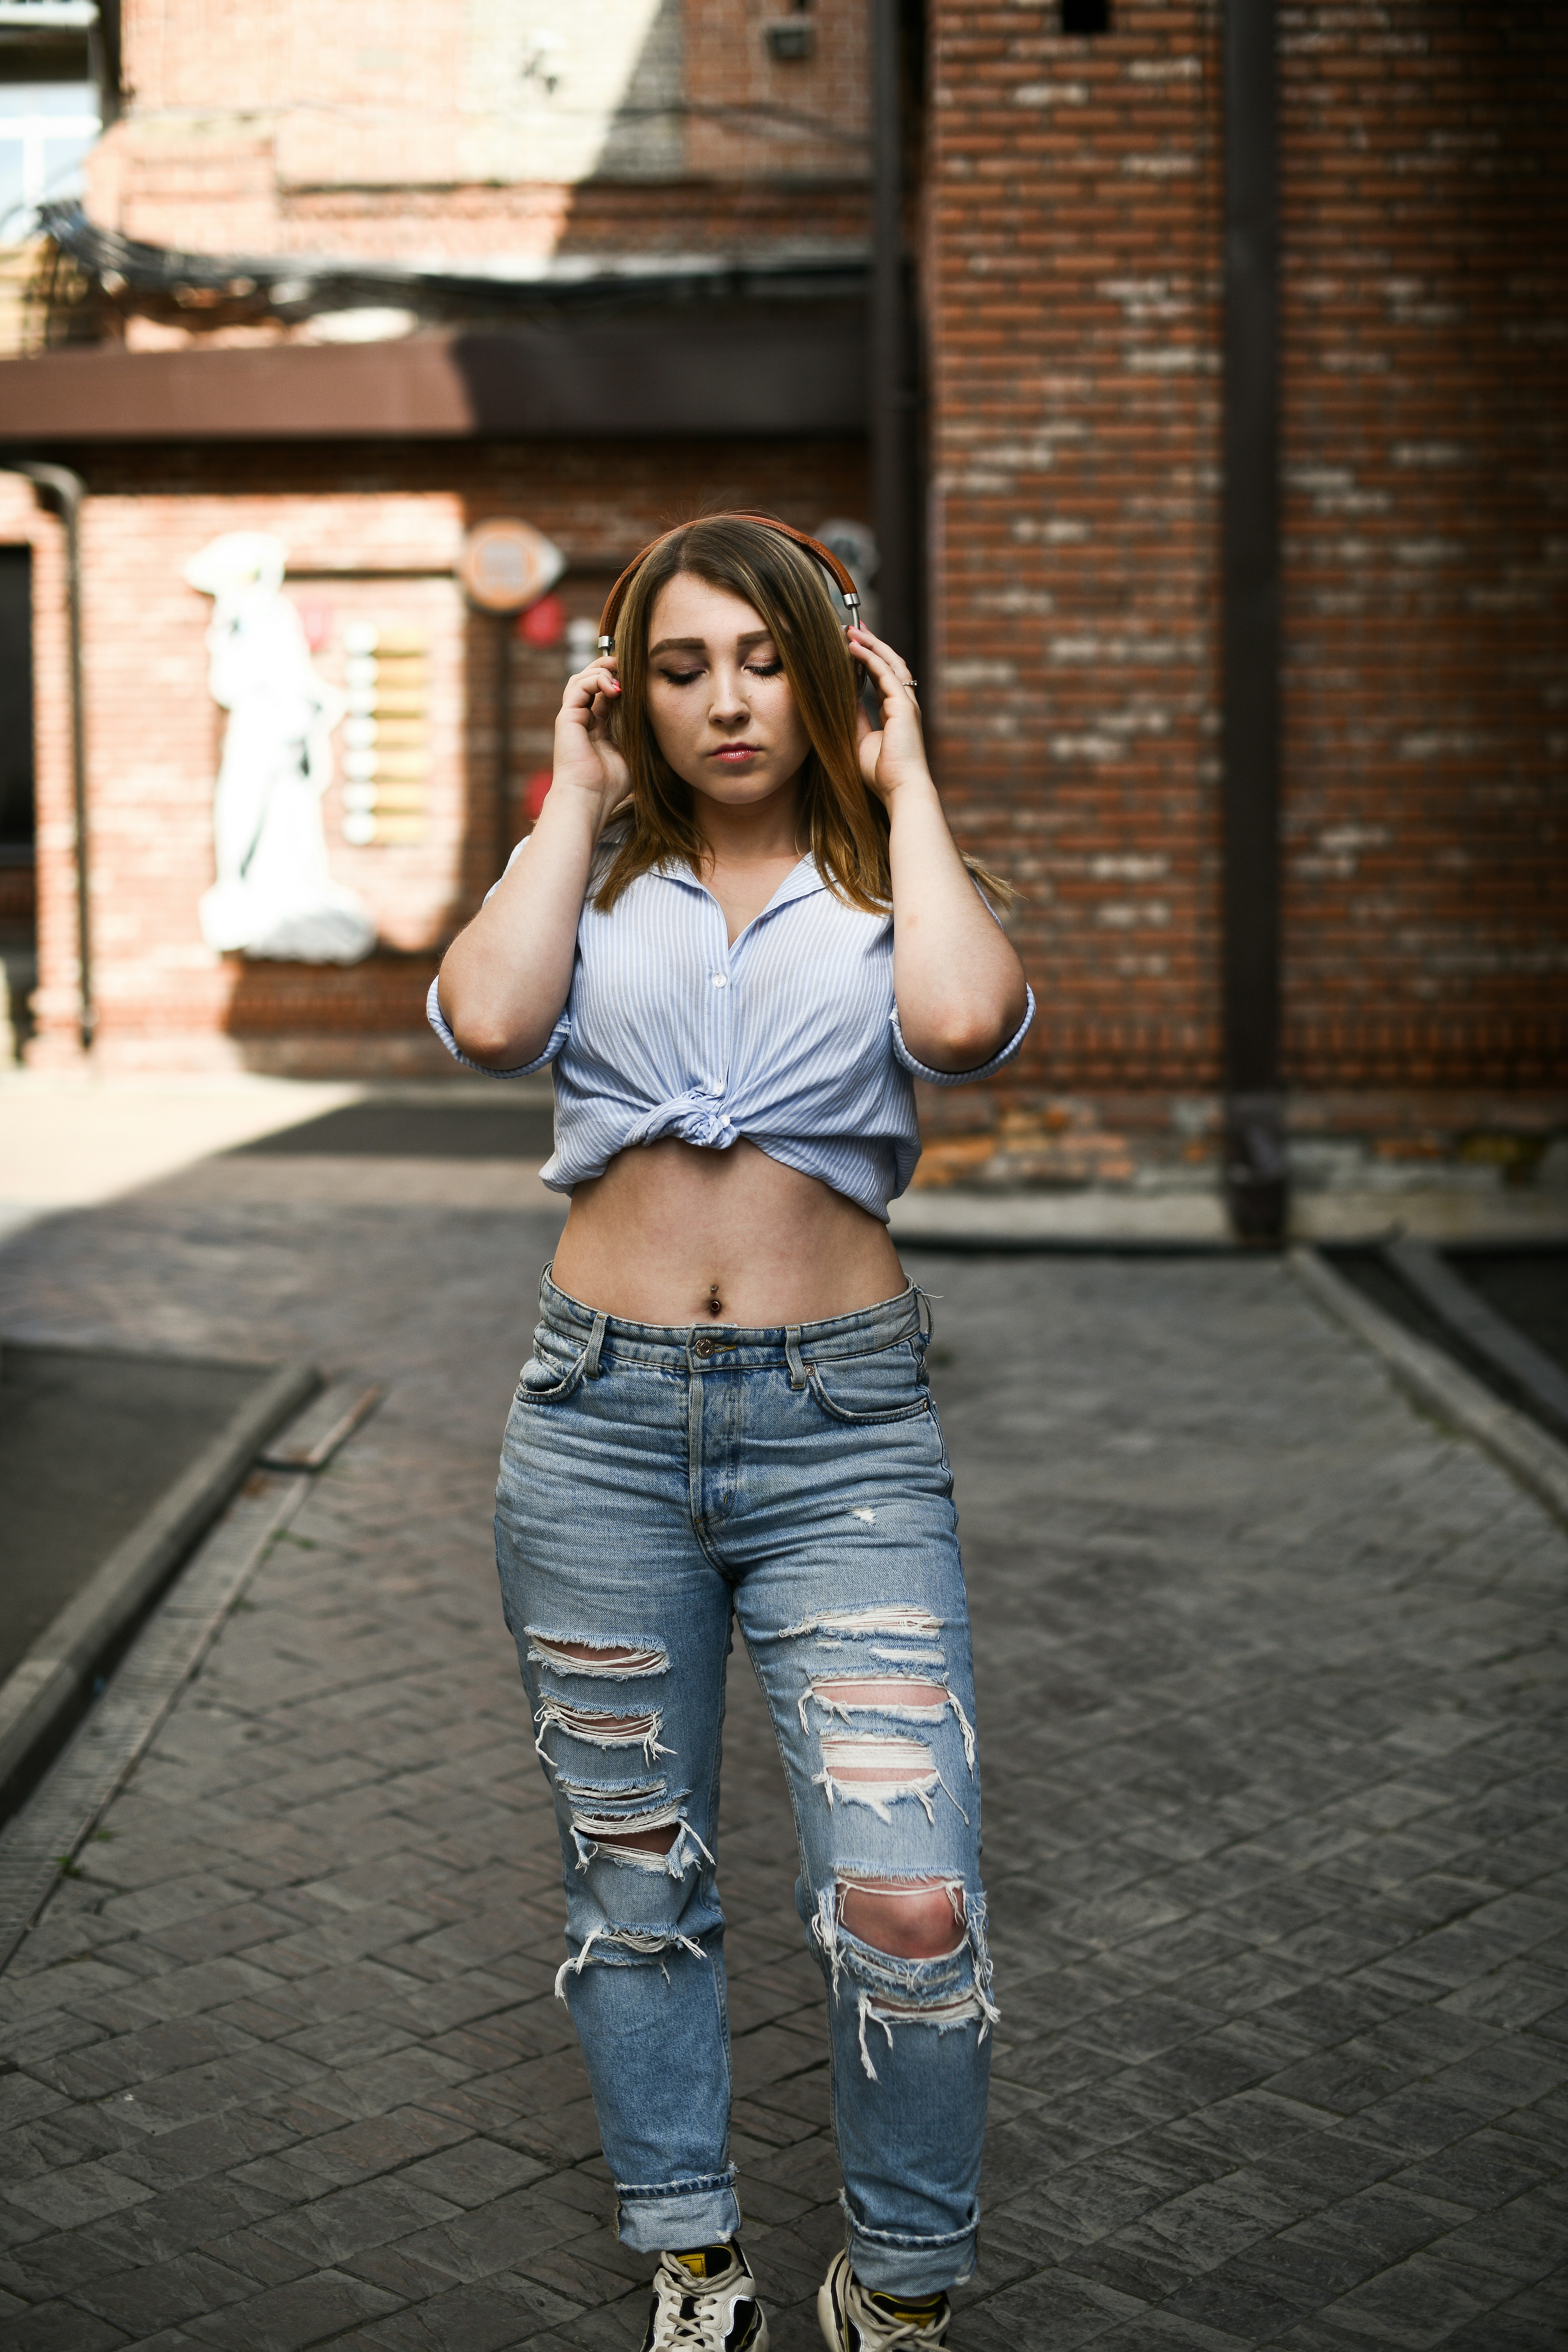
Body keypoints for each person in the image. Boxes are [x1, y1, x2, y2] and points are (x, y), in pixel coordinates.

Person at [431, 515, 1033, 2351]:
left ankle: (904, 2283)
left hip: (840, 1432)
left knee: (908, 1901)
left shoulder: (890, 895)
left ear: (831, 668)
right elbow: (487, 1014)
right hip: (600, 1430)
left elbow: (960, 1016)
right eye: (679, 667)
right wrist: (567, 786)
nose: (726, 700)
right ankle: (696, 2255)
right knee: (635, 1880)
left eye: (764, 658)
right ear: (634, 693)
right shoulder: (595, 883)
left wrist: (902, 768)